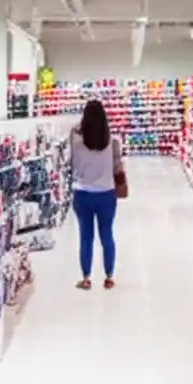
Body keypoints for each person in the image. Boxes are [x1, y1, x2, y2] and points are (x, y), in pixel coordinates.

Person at [70, 99, 123, 290]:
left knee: (86, 237)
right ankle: (109, 277)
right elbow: (118, 166)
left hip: (82, 194)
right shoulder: (112, 141)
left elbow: (71, 162)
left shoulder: (76, 141)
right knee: (107, 234)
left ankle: (86, 278)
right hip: (106, 194)